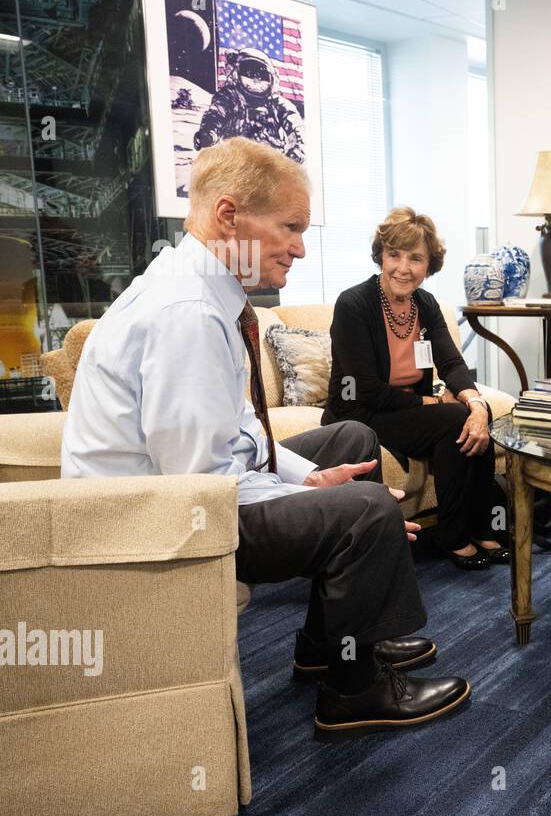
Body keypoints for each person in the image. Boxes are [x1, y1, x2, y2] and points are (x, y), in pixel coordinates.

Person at [62, 138, 470, 736]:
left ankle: (326, 644)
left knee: (350, 440)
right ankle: (352, 694)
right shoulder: (188, 314)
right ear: (230, 216)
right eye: (291, 228)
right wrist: (324, 501)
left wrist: (309, 477)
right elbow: (203, 485)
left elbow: (241, 432)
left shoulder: (207, 294)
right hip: (154, 522)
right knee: (364, 509)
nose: (301, 249)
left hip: (186, 492)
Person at [322, 207, 507, 571]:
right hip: (361, 413)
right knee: (453, 418)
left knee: (468, 420)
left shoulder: (425, 304)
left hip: (407, 411)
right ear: (381, 255)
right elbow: (366, 390)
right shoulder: (354, 304)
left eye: (415, 258)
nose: (402, 268)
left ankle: (474, 528)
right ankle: (457, 535)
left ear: (429, 265)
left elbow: (452, 364)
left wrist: (477, 404)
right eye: (394, 255)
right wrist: (432, 400)